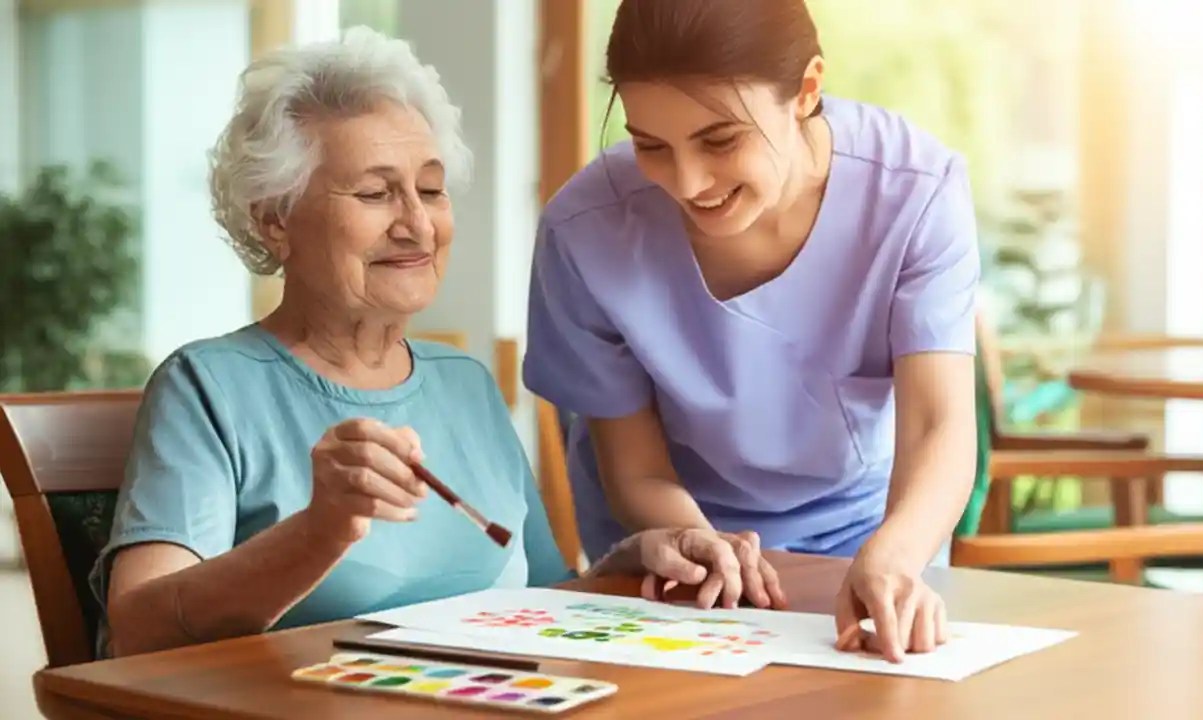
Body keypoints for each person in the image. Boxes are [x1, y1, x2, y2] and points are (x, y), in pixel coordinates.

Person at [89, 27, 764, 660]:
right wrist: (319, 531)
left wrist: (640, 553)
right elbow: (140, 629)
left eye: (432, 190)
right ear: (275, 220)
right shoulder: (208, 388)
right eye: (376, 193)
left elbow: (546, 588)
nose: (418, 225)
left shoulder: (462, 382)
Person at [523, 0, 978, 663]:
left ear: (807, 91)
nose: (688, 182)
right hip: (672, 556)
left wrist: (897, 556)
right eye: (650, 144)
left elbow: (939, 425)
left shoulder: (916, 194)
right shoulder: (585, 229)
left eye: (720, 140)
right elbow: (633, 466)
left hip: (866, 536)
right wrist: (697, 550)